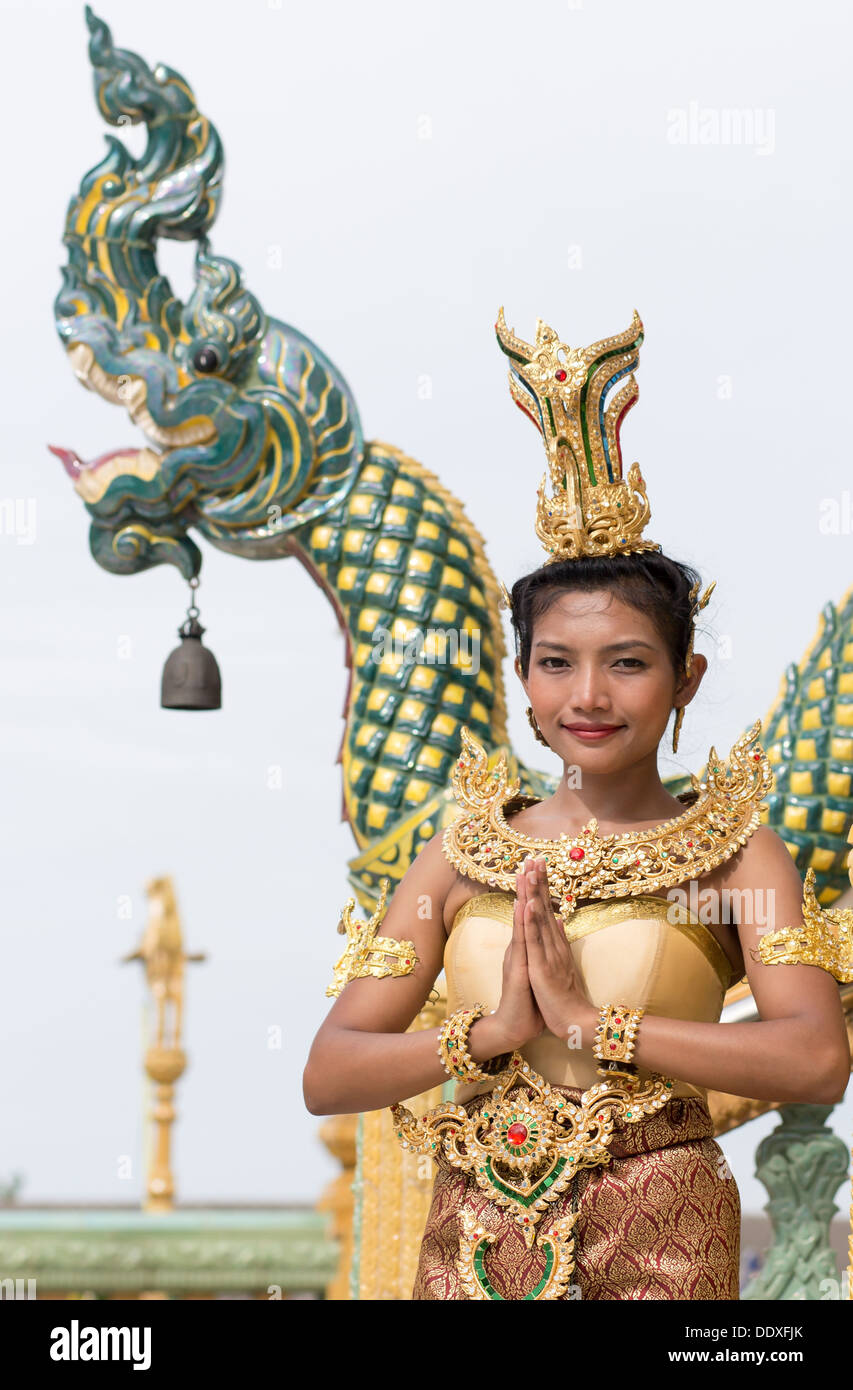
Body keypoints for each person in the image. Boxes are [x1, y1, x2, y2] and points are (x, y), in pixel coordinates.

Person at [303, 308, 851, 1301]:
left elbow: (814, 1057)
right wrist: (490, 1031)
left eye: (626, 664)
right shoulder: (467, 848)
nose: (587, 697)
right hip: (469, 1237)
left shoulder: (733, 851)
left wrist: (604, 1028)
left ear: (684, 679)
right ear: (521, 679)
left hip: (661, 1232)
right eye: (556, 663)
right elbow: (330, 1071)